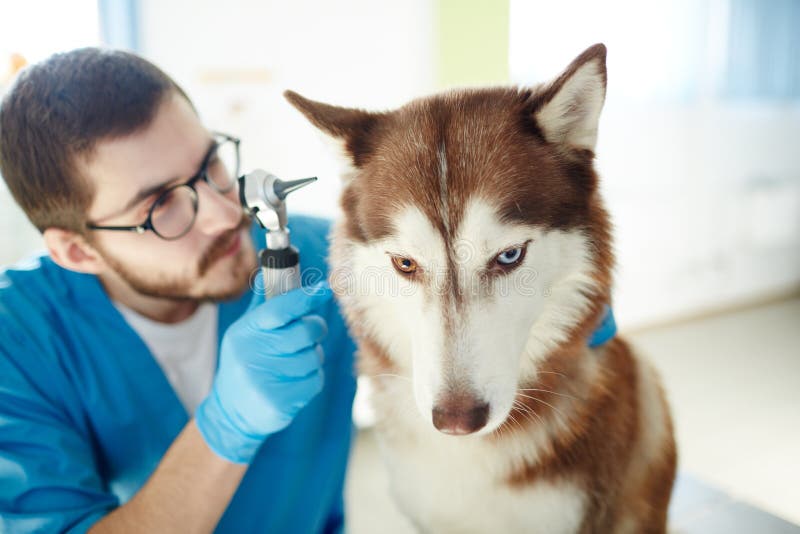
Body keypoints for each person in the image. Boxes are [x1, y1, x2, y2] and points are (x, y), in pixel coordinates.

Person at [0, 47, 357, 533]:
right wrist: (226, 428)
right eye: (161, 204)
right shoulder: (16, 343)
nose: (227, 215)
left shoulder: (328, 257)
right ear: (79, 252)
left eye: (211, 165)